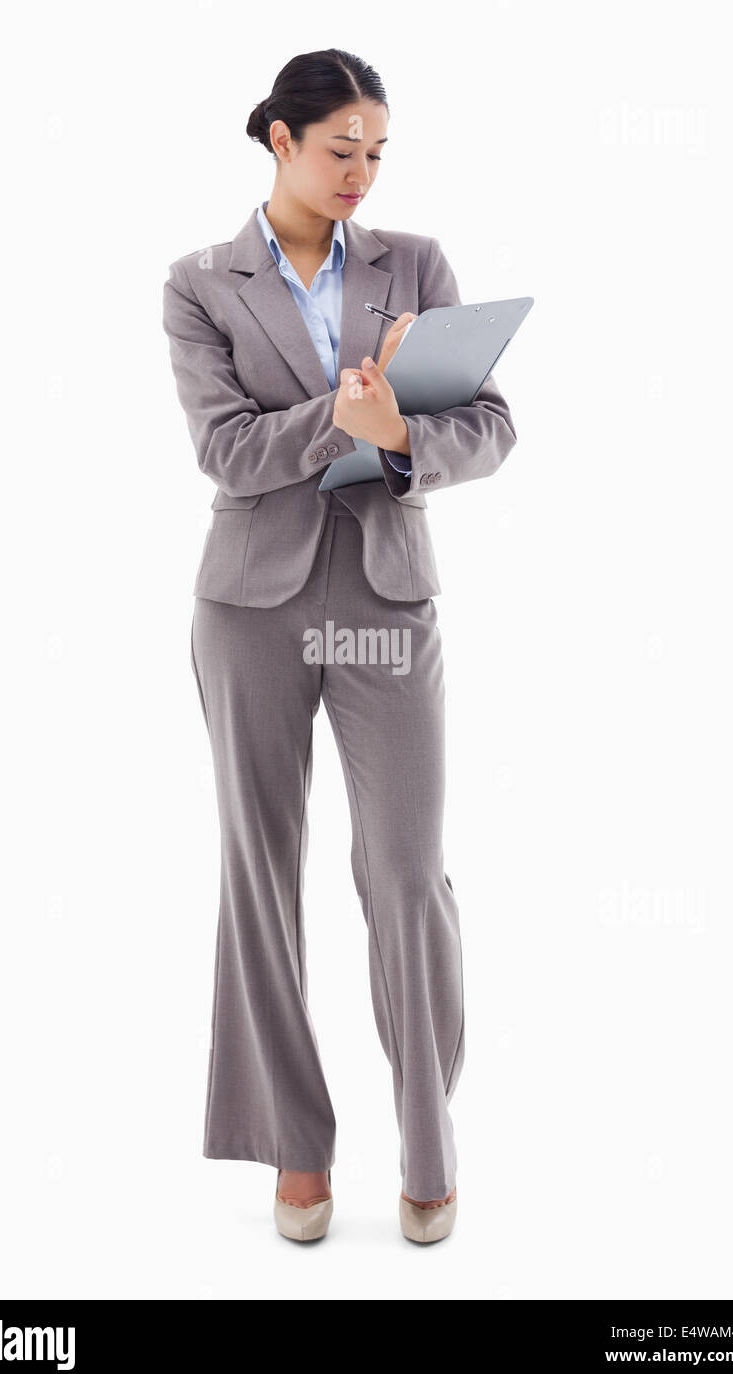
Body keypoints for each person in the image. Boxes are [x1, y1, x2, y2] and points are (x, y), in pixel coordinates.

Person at [162, 48, 518, 1243]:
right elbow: (225, 451)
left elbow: (487, 423)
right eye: (338, 150)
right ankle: (294, 1150)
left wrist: (403, 439)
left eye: (376, 152)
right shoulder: (199, 283)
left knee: (405, 875)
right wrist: (342, 417)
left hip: (382, 598)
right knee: (258, 873)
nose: (360, 172)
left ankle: (427, 1138)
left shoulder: (412, 265)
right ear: (278, 139)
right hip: (249, 608)